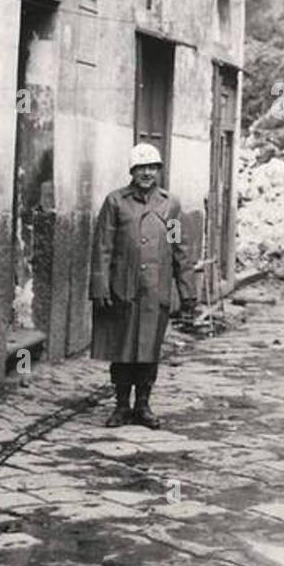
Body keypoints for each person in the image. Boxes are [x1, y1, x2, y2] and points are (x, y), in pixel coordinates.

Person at [89, 143, 197, 428]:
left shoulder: (170, 204)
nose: (147, 173)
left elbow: (180, 248)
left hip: (154, 291)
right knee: (121, 350)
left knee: (149, 350)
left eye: (152, 168)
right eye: (141, 168)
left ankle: (143, 406)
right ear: (132, 171)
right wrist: (100, 287)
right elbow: (102, 246)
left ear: (158, 170)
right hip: (121, 290)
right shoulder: (115, 202)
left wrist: (187, 293)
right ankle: (122, 406)